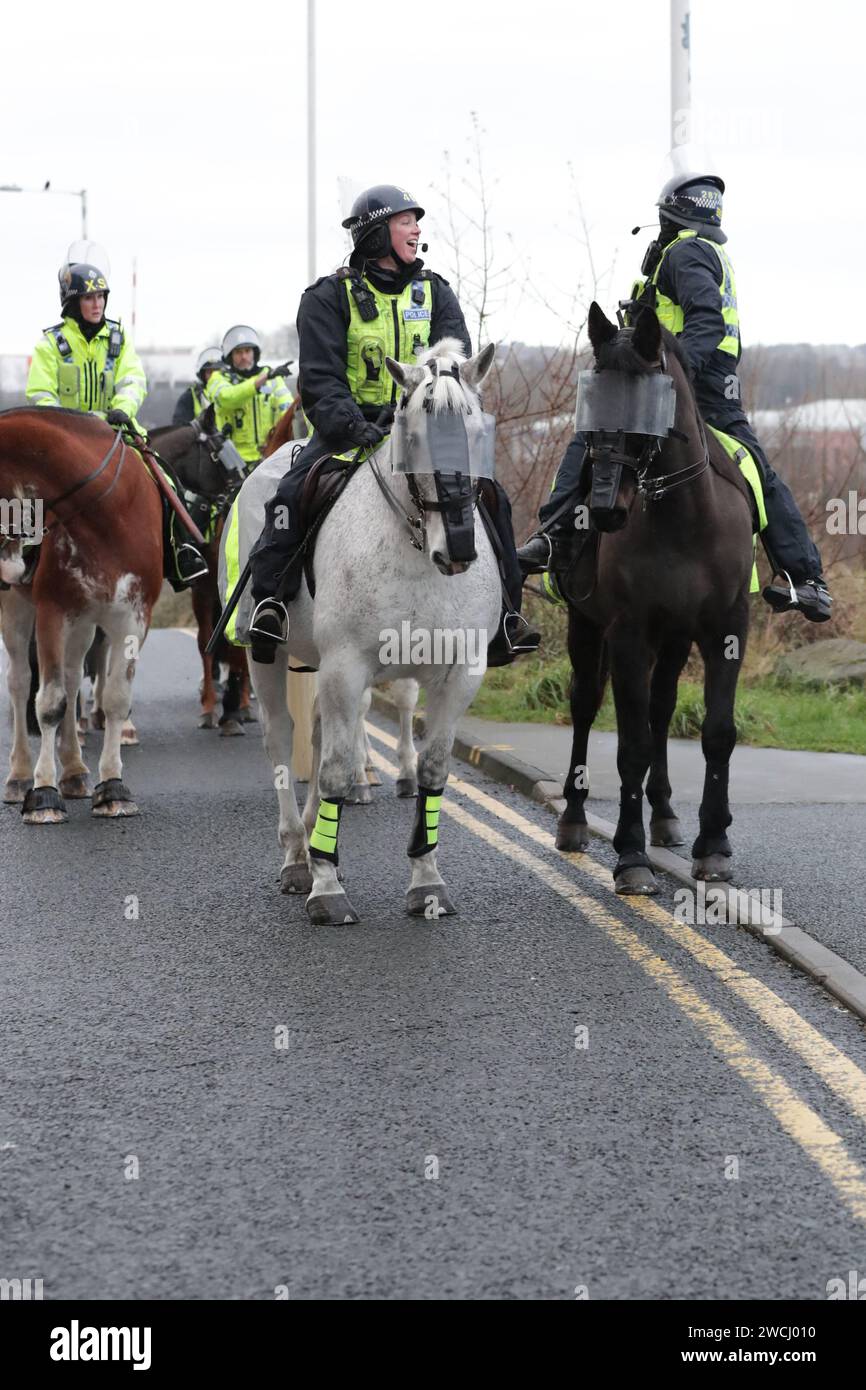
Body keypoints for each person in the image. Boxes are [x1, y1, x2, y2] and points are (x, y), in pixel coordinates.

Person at [518, 171, 831, 623]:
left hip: (691, 390)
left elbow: (707, 323)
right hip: (677, 384)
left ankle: (554, 536)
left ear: (669, 213)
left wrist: (673, 378)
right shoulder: (697, 252)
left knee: (594, 442)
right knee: (757, 472)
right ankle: (807, 578)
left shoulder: (684, 254)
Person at [246, 183, 540, 663]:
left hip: (427, 434)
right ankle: (271, 603)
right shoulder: (326, 297)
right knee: (292, 492)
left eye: (416, 222)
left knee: (492, 496)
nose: (416, 229)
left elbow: (457, 372)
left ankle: (506, 614)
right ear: (377, 234)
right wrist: (355, 429)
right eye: (406, 221)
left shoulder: (436, 292)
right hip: (351, 429)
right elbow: (319, 380)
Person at [26, 259, 207, 585]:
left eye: (101, 297)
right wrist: (77, 424)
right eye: (88, 298)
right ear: (72, 302)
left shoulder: (118, 338)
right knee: (26, 483)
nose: (97, 304)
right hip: (65, 437)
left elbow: (133, 380)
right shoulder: (51, 344)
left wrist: (122, 408)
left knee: (164, 477)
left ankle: (180, 552)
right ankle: (18, 551)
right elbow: (41, 394)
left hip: (118, 432)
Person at [205, 326, 293, 468]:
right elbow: (228, 398)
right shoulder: (218, 378)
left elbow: (287, 409)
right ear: (230, 356)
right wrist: (259, 382)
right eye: (238, 352)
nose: (244, 356)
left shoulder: (271, 376)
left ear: (254, 353)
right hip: (230, 462)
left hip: (268, 457)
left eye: (247, 351)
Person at [173, 346, 222, 425]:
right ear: (203, 375)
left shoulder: (233, 392)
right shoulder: (189, 397)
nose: (214, 376)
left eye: (217, 372)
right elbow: (179, 428)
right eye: (209, 372)